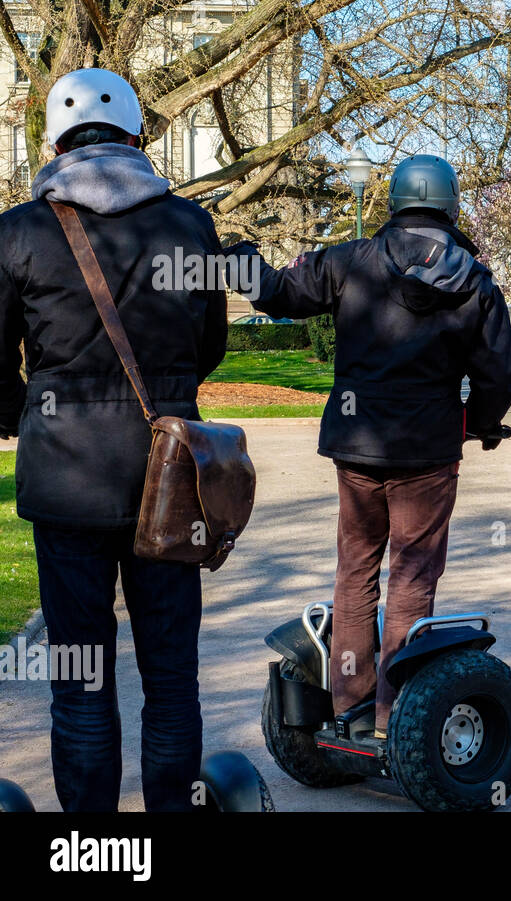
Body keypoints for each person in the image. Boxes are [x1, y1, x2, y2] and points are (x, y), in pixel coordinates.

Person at [0, 68, 228, 811]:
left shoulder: (21, 231)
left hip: (67, 484)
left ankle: (91, 846)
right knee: (169, 678)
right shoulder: (191, 226)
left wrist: (25, 410)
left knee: (80, 680)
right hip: (170, 478)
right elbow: (210, 345)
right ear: (135, 136)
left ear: (57, 141)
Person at [229, 155, 511, 739]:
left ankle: (345, 710)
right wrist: (482, 424)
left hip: (357, 448)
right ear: (450, 205)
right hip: (429, 451)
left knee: (355, 570)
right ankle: (395, 718)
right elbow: (497, 373)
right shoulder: (475, 281)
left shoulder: (350, 261)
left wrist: (238, 256)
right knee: (412, 578)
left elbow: (277, 294)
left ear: (393, 203)